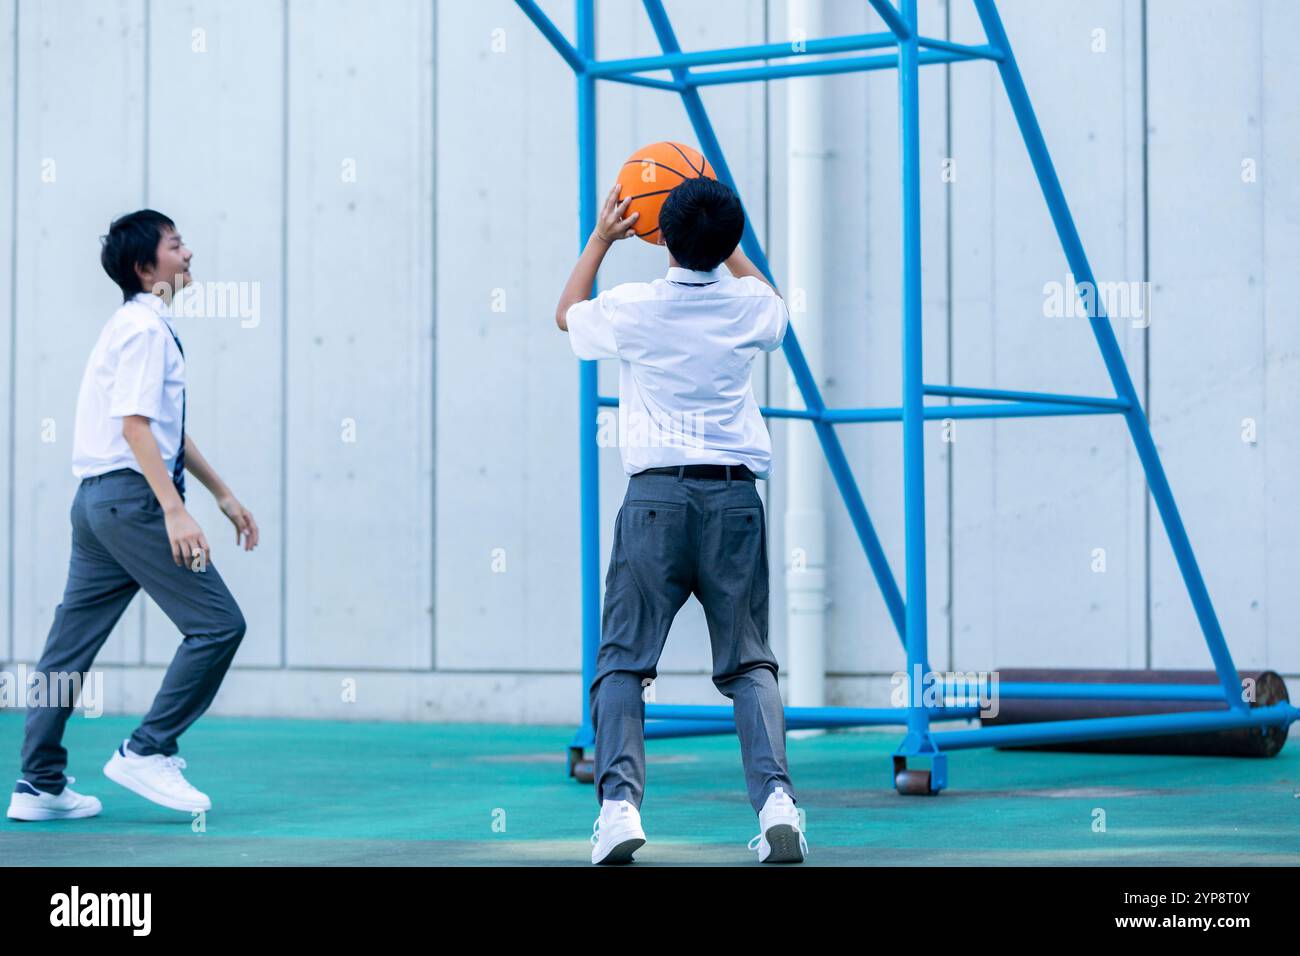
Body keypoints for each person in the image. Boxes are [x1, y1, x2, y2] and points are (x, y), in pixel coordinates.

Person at [556, 176, 806, 864]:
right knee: (750, 663)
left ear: (656, 236)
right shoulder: (749, 305)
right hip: (734, 501)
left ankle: (619, 810)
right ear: (730, 242)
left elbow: (564, 312)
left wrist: (602, 238)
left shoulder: (633, 306)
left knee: (622, 663)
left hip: (656, 502)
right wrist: (727, 244)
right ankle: (777, 802)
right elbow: (774, 302)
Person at [7, 210, 258, 822]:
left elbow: (159, 427)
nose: (189, 254)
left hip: (95, 505)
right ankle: (147, 750)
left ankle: (38, 784)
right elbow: (135, 426)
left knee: (68, 649)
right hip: (132, 502)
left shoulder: (130, 325)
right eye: (176, 246)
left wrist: (220, 492)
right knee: (218, 626)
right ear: (147, 268)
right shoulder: (146, 330)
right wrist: (174, 512)